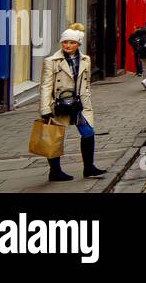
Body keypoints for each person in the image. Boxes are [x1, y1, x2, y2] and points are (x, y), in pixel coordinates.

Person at [39, 24, 104, 182]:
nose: (67, 45)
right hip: (59, 105)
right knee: (54, 137)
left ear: (78, 44)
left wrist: (86, 99)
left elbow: (86, 83)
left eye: (72, 42)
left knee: (88, 132)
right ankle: (55, 172)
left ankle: (89, 168)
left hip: (79, 104)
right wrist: (45, 109)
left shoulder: (85, 59)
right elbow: (46, 86)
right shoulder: (51, 61)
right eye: (65, 42)